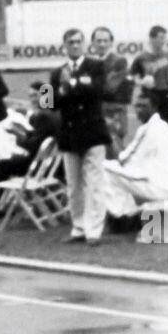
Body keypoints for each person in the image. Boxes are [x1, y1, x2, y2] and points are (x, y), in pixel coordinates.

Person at [49, 28, 110, 245]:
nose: (75, 46)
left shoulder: (96, 66)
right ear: (64, 45)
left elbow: (99, 91)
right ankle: (79, 227)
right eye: (70, 42)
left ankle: (94, 230)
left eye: (78, 42)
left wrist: (72, 84)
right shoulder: (56, 73)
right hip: (70, 133)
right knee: (73, 186)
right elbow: (47, 103)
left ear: (84, 44)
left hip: (92, 131)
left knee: (94, 183)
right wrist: (64, 90)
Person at [0, 81, 60, 218]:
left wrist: (18, 135)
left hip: (40, 168)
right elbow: (38, 137)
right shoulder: (53, 114)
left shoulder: (44, 117)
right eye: (31, 96)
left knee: (2, 165)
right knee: (10, 161)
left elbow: (33, 146)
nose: (33, 99)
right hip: (50, 164)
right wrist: (24, 133)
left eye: (36, 95)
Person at [103, 91, 168, 229]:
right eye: (137, 106)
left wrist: (111, 133)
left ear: (154, 107)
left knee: (102, 168)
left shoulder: (149, 128)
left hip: (160, 186)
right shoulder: (163, 126)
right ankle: (127, 214)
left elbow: (123, 159)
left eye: (144, 106)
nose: (139, 110)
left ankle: (123, 217)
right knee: (116, 172)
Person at [90, 25, 132, 150]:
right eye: (98, 41)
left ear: (111, 42)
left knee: (114, 151)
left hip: (114, 113)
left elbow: (109, 88)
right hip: (97, 112)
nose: (102, 44)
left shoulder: (119, 61)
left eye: (105, 41)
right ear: (92, 43)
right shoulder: (91, 62)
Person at [130, 25, 168, 123]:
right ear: (151, 38)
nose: (164, 40)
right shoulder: (141, 57)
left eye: (165, 38)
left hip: (165, 94)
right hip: (148, 95)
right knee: (148, 125)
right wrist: (142, 82)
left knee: (166, 125)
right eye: (161, 38)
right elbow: (133, 78)